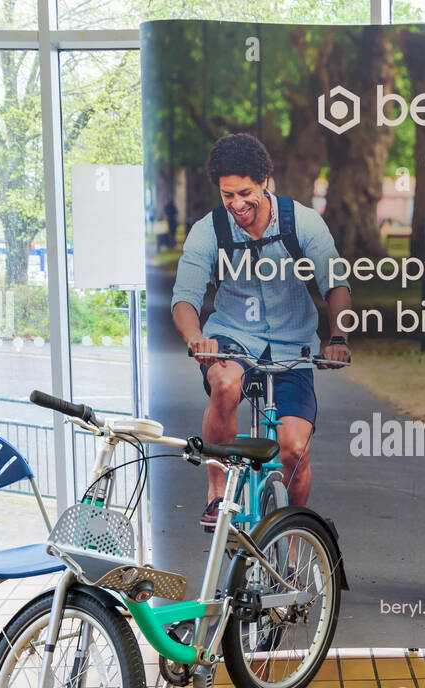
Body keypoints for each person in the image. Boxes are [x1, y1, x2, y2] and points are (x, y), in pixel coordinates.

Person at [171, 133, 353, 527]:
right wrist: (195, 338)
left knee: (294, 449)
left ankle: (294, 538)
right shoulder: (210, 230)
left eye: (245, 192)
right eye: (227, 195)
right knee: (224, 382)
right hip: (234, 336)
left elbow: (335, 282)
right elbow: (184, 296)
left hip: (293, 347)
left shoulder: (301, 221)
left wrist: (338, 338)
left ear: (266, 180)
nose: (237, 204)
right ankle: (217, 493)